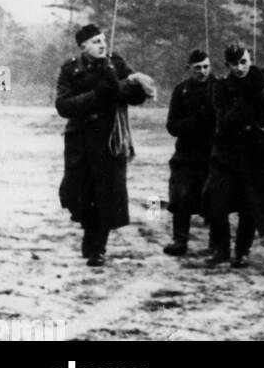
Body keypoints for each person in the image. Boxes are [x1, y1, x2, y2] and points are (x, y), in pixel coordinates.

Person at [55, 23, 155, 266]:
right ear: (83, 46)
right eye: (96, 42)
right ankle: (90, 234)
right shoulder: (70, 69)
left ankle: (97, 247)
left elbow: (138, 95)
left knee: (106, 195)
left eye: (103, 40)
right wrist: (95, 95)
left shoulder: (116, 64)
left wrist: (117, 87)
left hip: (110, 141)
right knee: (76, 193)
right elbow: (63, 105)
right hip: (79, 141)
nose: (102, 45)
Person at [202, 41, 264, 268]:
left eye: (243, 62)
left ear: (250, 58)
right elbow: (225, 119)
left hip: (258, 150)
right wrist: (246, 99)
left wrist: (262, 88)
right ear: (227, 65)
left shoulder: (262, 77)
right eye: (234, 64)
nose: (240, 68)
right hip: (229, 151)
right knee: (216, 199)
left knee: (250, 202)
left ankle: (242, 251)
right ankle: (221, 249)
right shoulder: (221, 86)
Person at [164, 48, 216, 257]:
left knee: (214, 198)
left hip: (213, 153)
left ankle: (216, 242)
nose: (202, 71)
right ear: (189, 69)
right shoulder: (181, 91)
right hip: (186, 153)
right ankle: (180, 240)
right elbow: (171, 126)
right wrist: (194, 121)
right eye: (197, 68)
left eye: (205, 67)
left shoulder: (219, 88)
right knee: (180, 196)